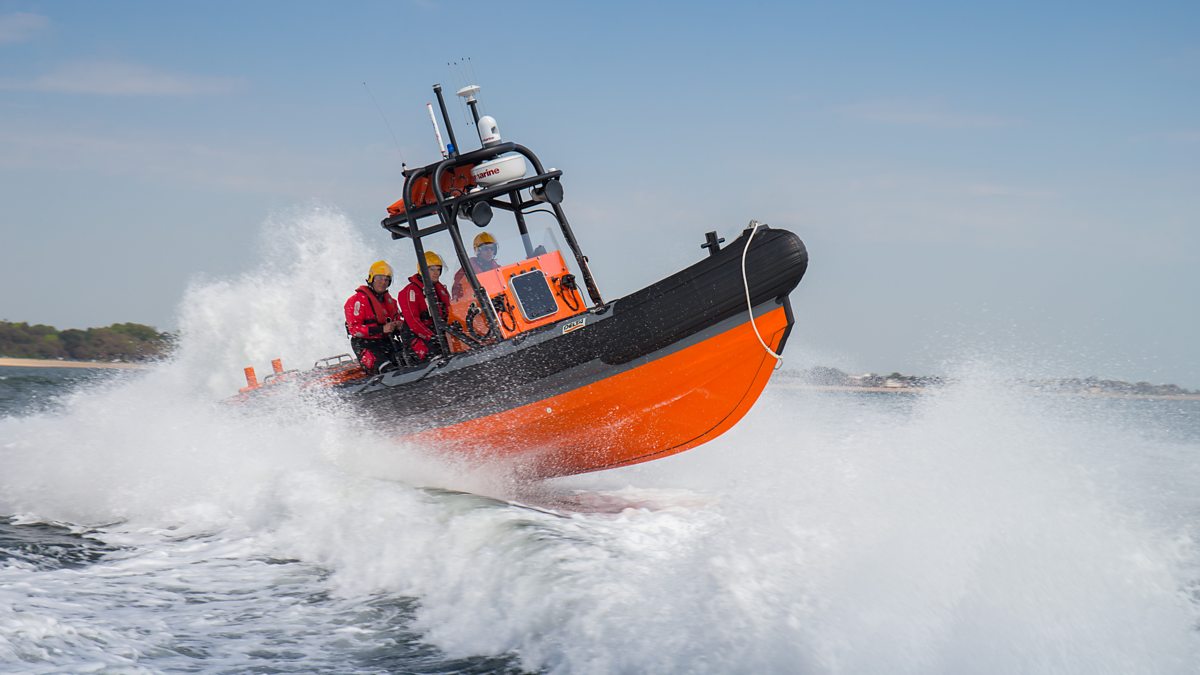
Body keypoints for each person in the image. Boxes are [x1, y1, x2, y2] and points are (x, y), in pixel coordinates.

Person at [344, 260, 401, 373]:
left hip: (386, 342)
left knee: (408, 358)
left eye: (386, 280)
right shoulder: (356, 301)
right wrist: (381, 329)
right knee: (386, 369)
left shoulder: (391, 302)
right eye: (379, 278)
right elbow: (354, 329)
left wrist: (398, 325)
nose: (383, 282)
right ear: (371, 279)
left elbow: (397, 319)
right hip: (366, 344)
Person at [399, 251, 451, 362]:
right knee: (437, 355)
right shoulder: (410, 292)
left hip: (437, 330)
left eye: (438, 269)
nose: (436, 273)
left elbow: (449, 311)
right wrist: (432, 337)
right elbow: (413, 321)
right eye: (432, 269)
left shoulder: (440, 289)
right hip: (417, 335)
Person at [452, 232, 501, 301]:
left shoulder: (498, 269)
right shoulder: (468, 267)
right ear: (478, 251)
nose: (489, 251)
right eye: (485, 249)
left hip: (497, 301)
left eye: (492, 248)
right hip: (478, 303)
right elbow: (457, 289)